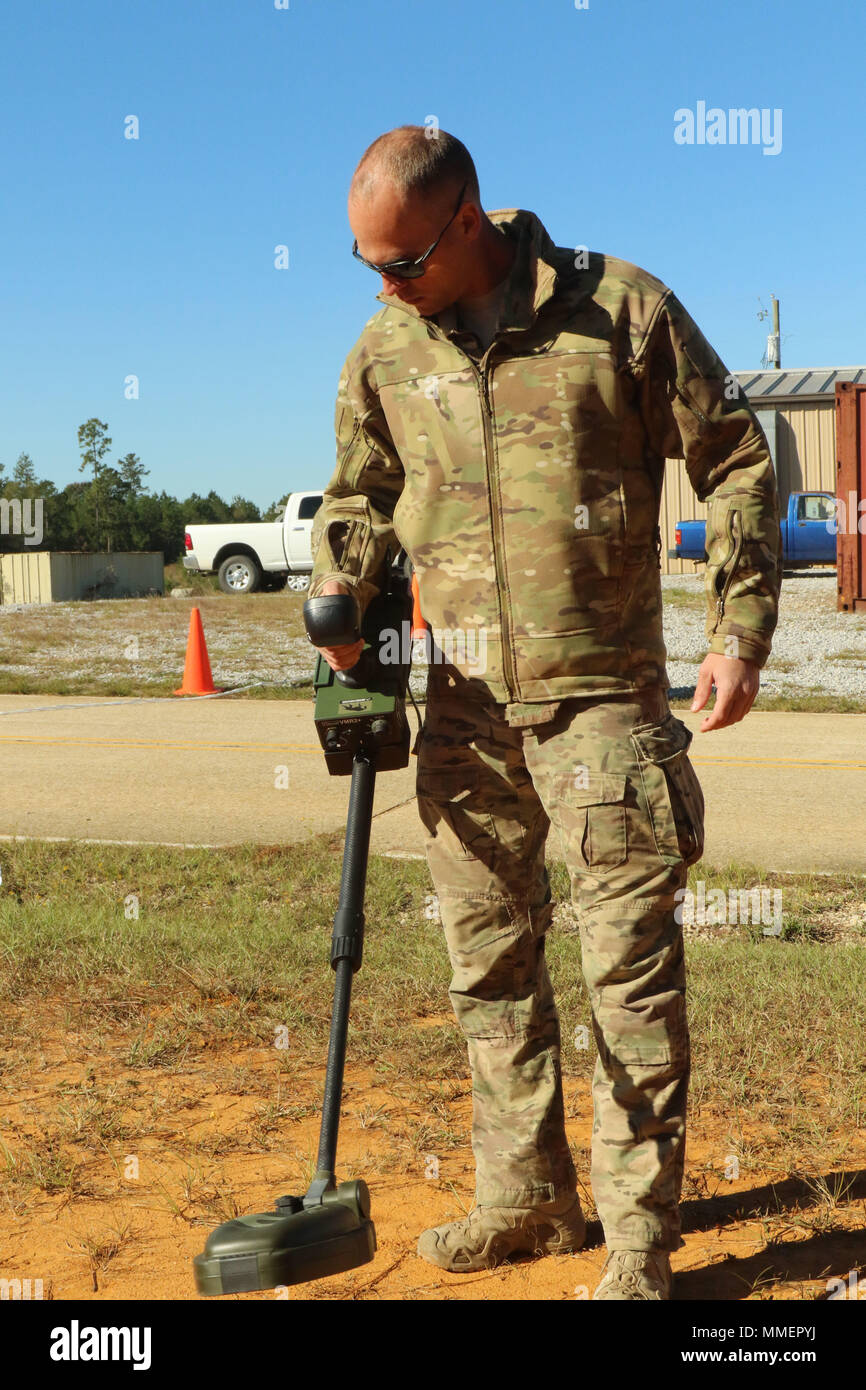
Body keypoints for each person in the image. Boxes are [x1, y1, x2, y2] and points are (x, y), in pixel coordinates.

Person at [308, 125, 781, 1300]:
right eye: (367, 264)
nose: (384, 285)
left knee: (625, 975)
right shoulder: (383, 347)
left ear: (466, 219)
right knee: (487, 963)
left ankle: (634, 1241)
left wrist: (738, 630)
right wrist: (339, 582)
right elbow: (357, 494)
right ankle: (525, 1199)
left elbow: (732, 457)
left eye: (403, 261)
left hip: (604, 708)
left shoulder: (619, 310)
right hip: (460, 712)